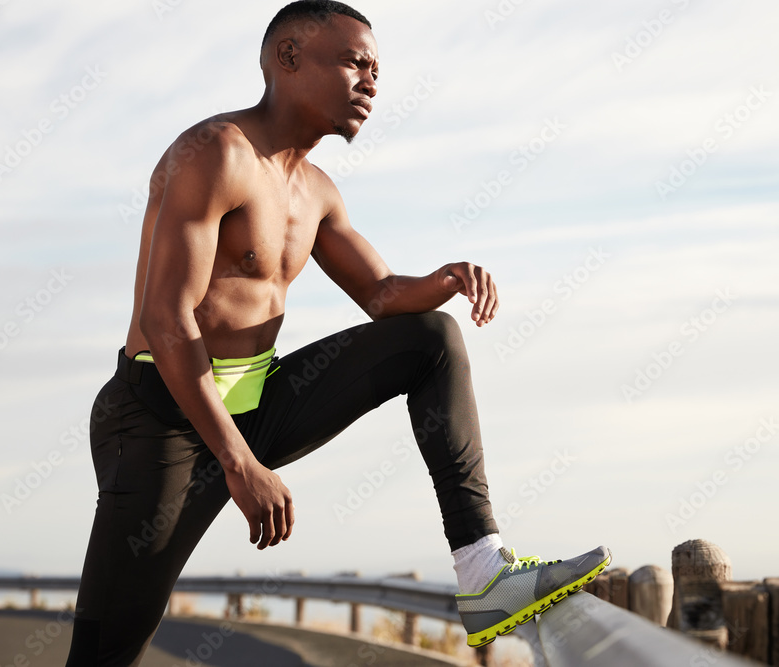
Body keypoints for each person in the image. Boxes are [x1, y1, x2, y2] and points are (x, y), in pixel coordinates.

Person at [65, 2, 609, 664]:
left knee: (431, 339)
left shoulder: (317, 191)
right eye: (356, 62)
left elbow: (382, 295)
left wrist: (444, 278)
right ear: (287, 59)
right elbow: (165, 318)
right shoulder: (214, 154)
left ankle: (483, 569)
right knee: (105, 651)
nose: (373, 83)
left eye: (378, 70)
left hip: (255, 404)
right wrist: (239, 463)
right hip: (159, 417)